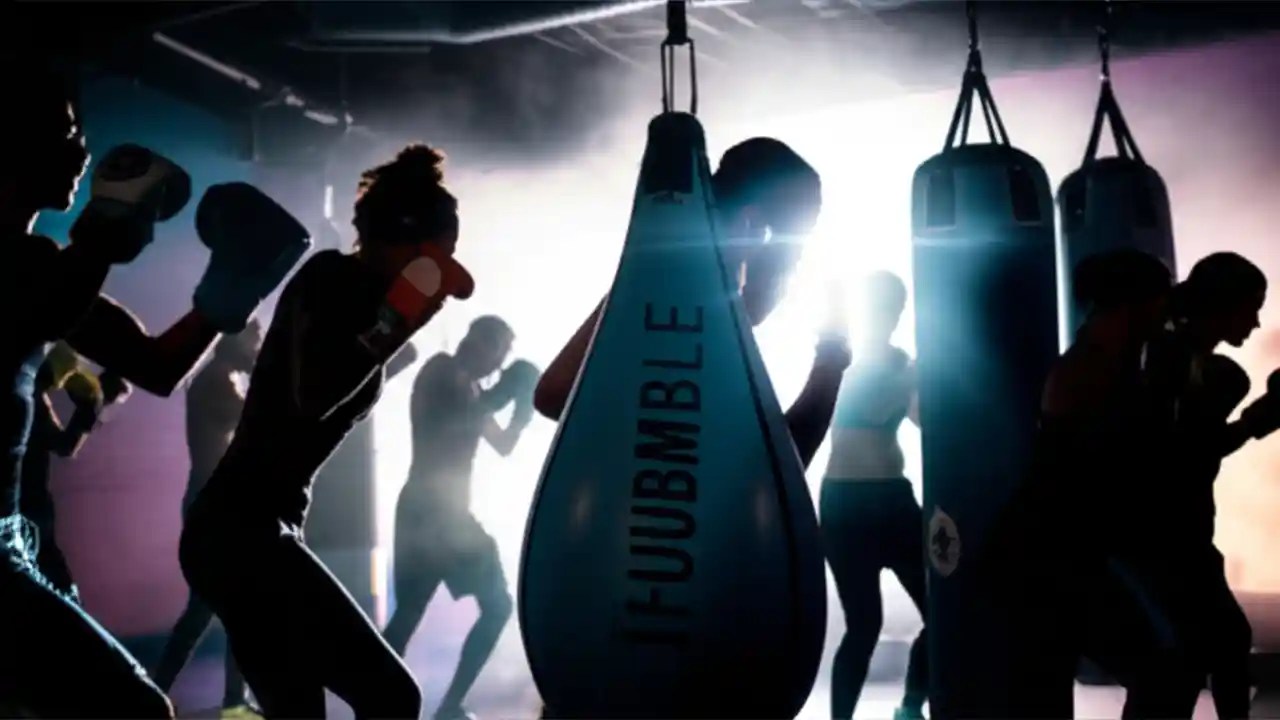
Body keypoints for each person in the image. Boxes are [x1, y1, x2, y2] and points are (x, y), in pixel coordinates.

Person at [2, 64, 304, 717]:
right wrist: (107, 226)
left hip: (19, 538)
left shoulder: (42, 268)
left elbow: (155, 365)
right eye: (64, 129)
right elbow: (42, 304)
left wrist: (228, 288)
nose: (82, 149)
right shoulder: (29, 272)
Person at [179, 143, 476, 718]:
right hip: (242, 533)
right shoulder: (332, 277)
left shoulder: (364, 299)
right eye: (442, 255)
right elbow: (313, 395)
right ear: (413, 246)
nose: (444, 271)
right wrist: (395, 324)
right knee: (392, 696)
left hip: (252, 531)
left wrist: (396, 329)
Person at [533, 137, 849, 470]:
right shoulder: (703, 317)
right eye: (793, 253)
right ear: (751, 225)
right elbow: (773, 468)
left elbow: (552, 394)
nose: (791, 273)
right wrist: (832, 359)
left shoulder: (652, 282)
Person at [982, 249, 1176, 719]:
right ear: (1137, 304)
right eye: (1161, 300)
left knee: (1154, 673)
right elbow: (1116, 471)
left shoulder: (1113, 364)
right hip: (1043, 559)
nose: (1167, 311)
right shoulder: (1091, 370)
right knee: (1151, 673)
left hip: (1056, 557)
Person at [1130, 252, 1277, 719]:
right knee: (1188, 659)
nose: (1256, 322)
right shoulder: (1170, 358)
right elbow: (1182, 454)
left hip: (1182, 534)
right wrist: (1258, 418)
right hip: (1160, 538)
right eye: (1251, 307)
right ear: (1222, 303)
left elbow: (1194, 451)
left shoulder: (1186, 358)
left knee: (1222, 644)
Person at [382, 315, 540, 720]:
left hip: (438, 513)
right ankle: (439, 706)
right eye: (500, 354)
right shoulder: (443, 370)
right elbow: (461, 420)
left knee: (414, 613)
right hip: (435, 511)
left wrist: (522, 411)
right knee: (492, 606)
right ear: (480, 343)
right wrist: (511, 388)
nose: (499, 367)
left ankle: (404, 704)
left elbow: (502, 444)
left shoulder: (470, 388)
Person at [821, 271, 927, 720]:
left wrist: (923, 380)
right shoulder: (838, 357)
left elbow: (924, 421)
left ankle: (909, 706)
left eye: (894, 307)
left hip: (891, 501)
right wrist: (910, 379)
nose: (887, 316)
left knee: (943, 612)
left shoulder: (903, 365)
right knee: (864, 626)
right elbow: (864, 407)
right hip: (847, 504)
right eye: (881, 306)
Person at [153, 322, 263, 719]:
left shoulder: (222, 378)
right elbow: (256, 421)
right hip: (212, 507)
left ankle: (230, 698)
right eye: (254, 340)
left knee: (225, 608)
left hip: (218, 505)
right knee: (214, 609)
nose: (258, 348)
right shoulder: (216, 382)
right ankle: (158, 693)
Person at [20, 341, 132, 602]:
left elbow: (63, 445)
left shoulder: (31, 392)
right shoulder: (31, 396)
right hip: (28, 505)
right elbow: (65, 446)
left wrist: (94, 405)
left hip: (30, 504)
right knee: (53, 580)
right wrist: (95, 405)